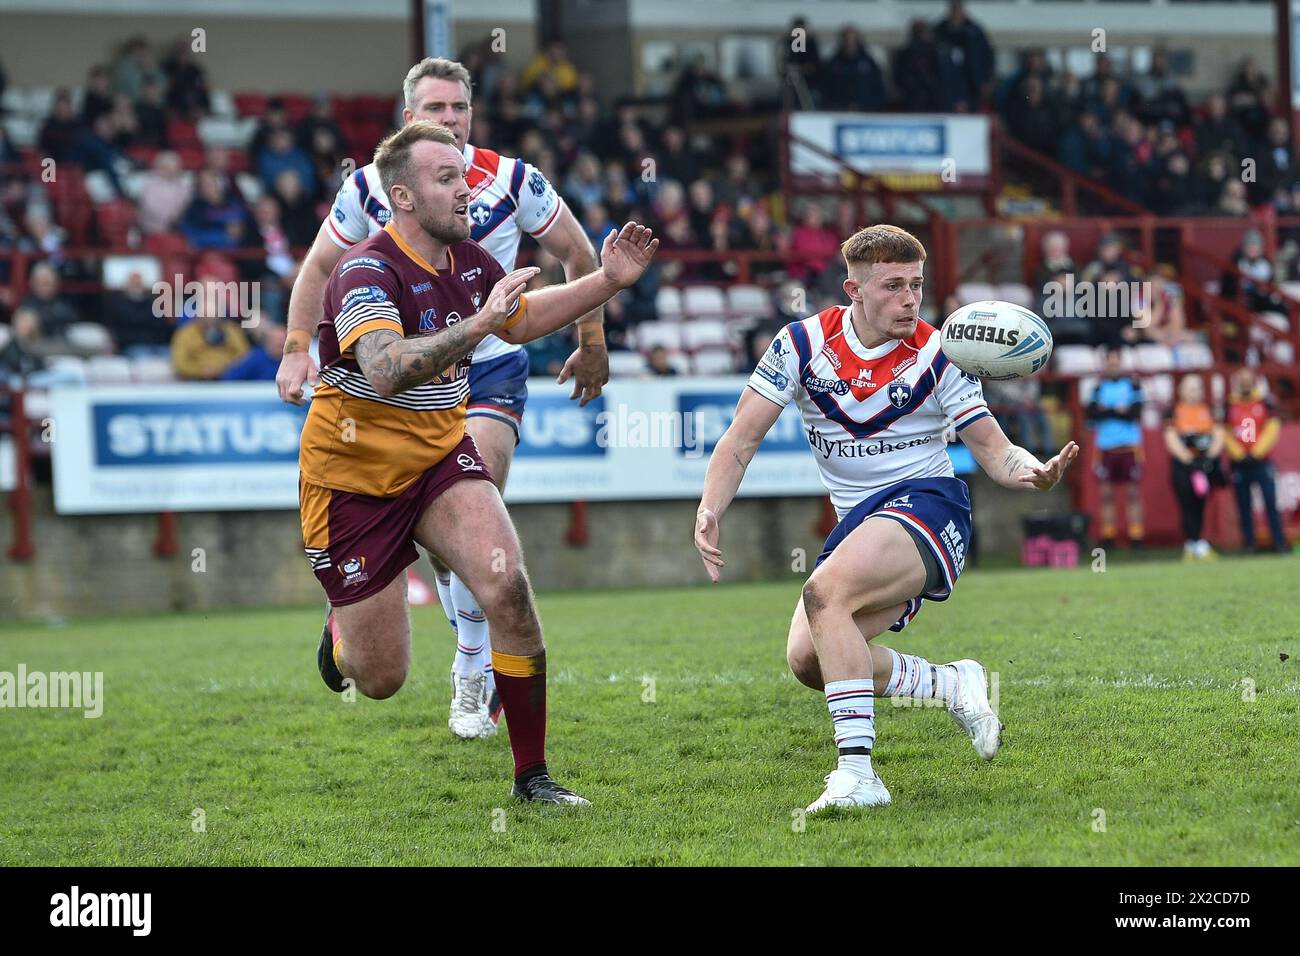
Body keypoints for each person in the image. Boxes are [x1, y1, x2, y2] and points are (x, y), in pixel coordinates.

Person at [301, 121, 656, 805]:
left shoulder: (468, 262)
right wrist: (478, 325)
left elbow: (518, 319)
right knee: (379, 679)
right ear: (402, 197)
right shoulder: (365, 271)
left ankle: (533, 779)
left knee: (508, 588)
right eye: (446, 179)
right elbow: (383, 370)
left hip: (437, 459)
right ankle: (341, 635)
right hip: (353, 482)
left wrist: (607, 282)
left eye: (464, 175)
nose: (466, 189)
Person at [275, 58, 610, 741]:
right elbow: (317, 265)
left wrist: (593, 336)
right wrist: (293, 347)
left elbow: (579, 252)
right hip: (395, 384)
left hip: (488, 366)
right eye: (437, 108)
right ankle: (360, 611)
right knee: (385, 669)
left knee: (478, 507)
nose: (451, 120)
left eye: (460, 108)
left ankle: (471, 676)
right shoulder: (371, 187)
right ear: (409, 120)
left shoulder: (516, 180)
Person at [693, 224, 1078, 812]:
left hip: (928, 509)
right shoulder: (800, 346)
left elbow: (995, 450)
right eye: (893, 285)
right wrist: (710, 509)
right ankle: (951, 683)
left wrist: (1033, 472)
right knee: (806, 660)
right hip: (857, 527)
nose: (909, 299)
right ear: (853, 289)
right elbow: (741, 439)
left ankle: (858, 774)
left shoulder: (941, 353)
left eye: (917, 285)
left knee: (825, 594)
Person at [1222, 369, 1288, 554]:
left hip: (1262, 461)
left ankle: (1279, 542)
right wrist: (1239, 454)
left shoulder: (1265, 402)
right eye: (1241, 381)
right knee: (1243, 505)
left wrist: (1256, 452)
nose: (1245, 385)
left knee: (1270, 502)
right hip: (1240, 463)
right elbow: (1225, 432)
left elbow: (1272, 428)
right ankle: (1249, 544)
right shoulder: (1229, 404)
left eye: (1247, 381)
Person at [1085, 346, 1145, 550]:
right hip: (1106, 447)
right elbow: (1092, 413)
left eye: (1116, 362)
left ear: (1121, 363)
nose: (1113, 366)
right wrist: (1118, 410)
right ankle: (1108, 537)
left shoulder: (1133, 386)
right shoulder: (1098, 387)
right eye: (1109, 363)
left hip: (1130, 446)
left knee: (1133, 493)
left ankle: (1136, 537)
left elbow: (1135, 413)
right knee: (1106, 495)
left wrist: (1107, 410)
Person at [1163, 375, 1224, 561]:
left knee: (1200, 504)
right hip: (1184, 466)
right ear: (1181, 390)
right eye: (1190, 388)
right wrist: (1189, 460)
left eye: (1197, 388)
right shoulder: (1174, 411)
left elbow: (1219, 434)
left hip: (1204, 465)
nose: (1194, 392)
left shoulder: (1209, 410)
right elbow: (1171, 438)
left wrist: (1209, 458)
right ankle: (1193, 543)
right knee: (1186, 504)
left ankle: (1197, 543)